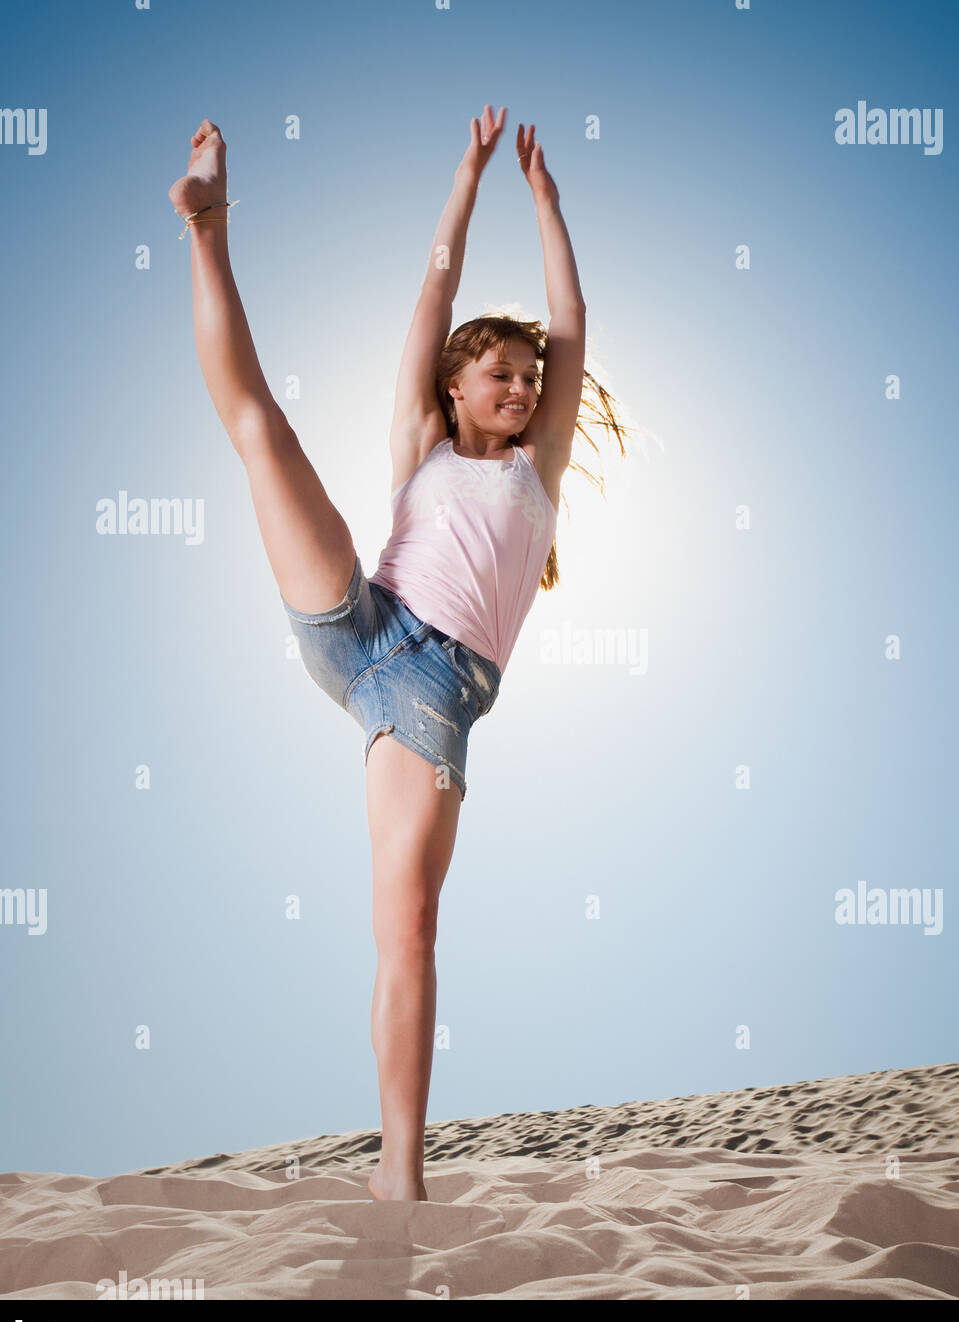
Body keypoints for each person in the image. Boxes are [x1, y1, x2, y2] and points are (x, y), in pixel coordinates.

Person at [169, 105, 628, 1201]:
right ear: (457, 387)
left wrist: (546, 201)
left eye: (529, 375)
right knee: (262, 432)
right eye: (500, 373)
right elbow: (434, 289)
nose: (521, 387)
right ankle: (205, 226)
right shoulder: (418, 444)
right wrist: (465, 175)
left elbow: (571, 314)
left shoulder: (538, 466)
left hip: (431, 691)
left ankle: (398, 1174)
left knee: (409, 925)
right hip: (361, 621)